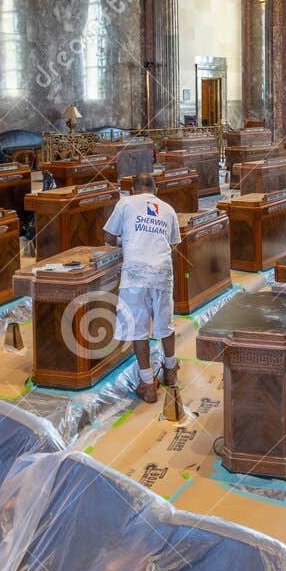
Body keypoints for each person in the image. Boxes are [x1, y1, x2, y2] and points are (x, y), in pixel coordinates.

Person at [102, 170, 182, 403]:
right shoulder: (167, 209)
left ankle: (147, 384)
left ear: (132, 189)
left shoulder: (125, 203)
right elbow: (174, 245)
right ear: (155, 190)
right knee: (165, 324)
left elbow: (108, 237)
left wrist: (126, 239)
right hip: (162, 272)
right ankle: (171, 371)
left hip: (135, 274)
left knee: (139, 330)